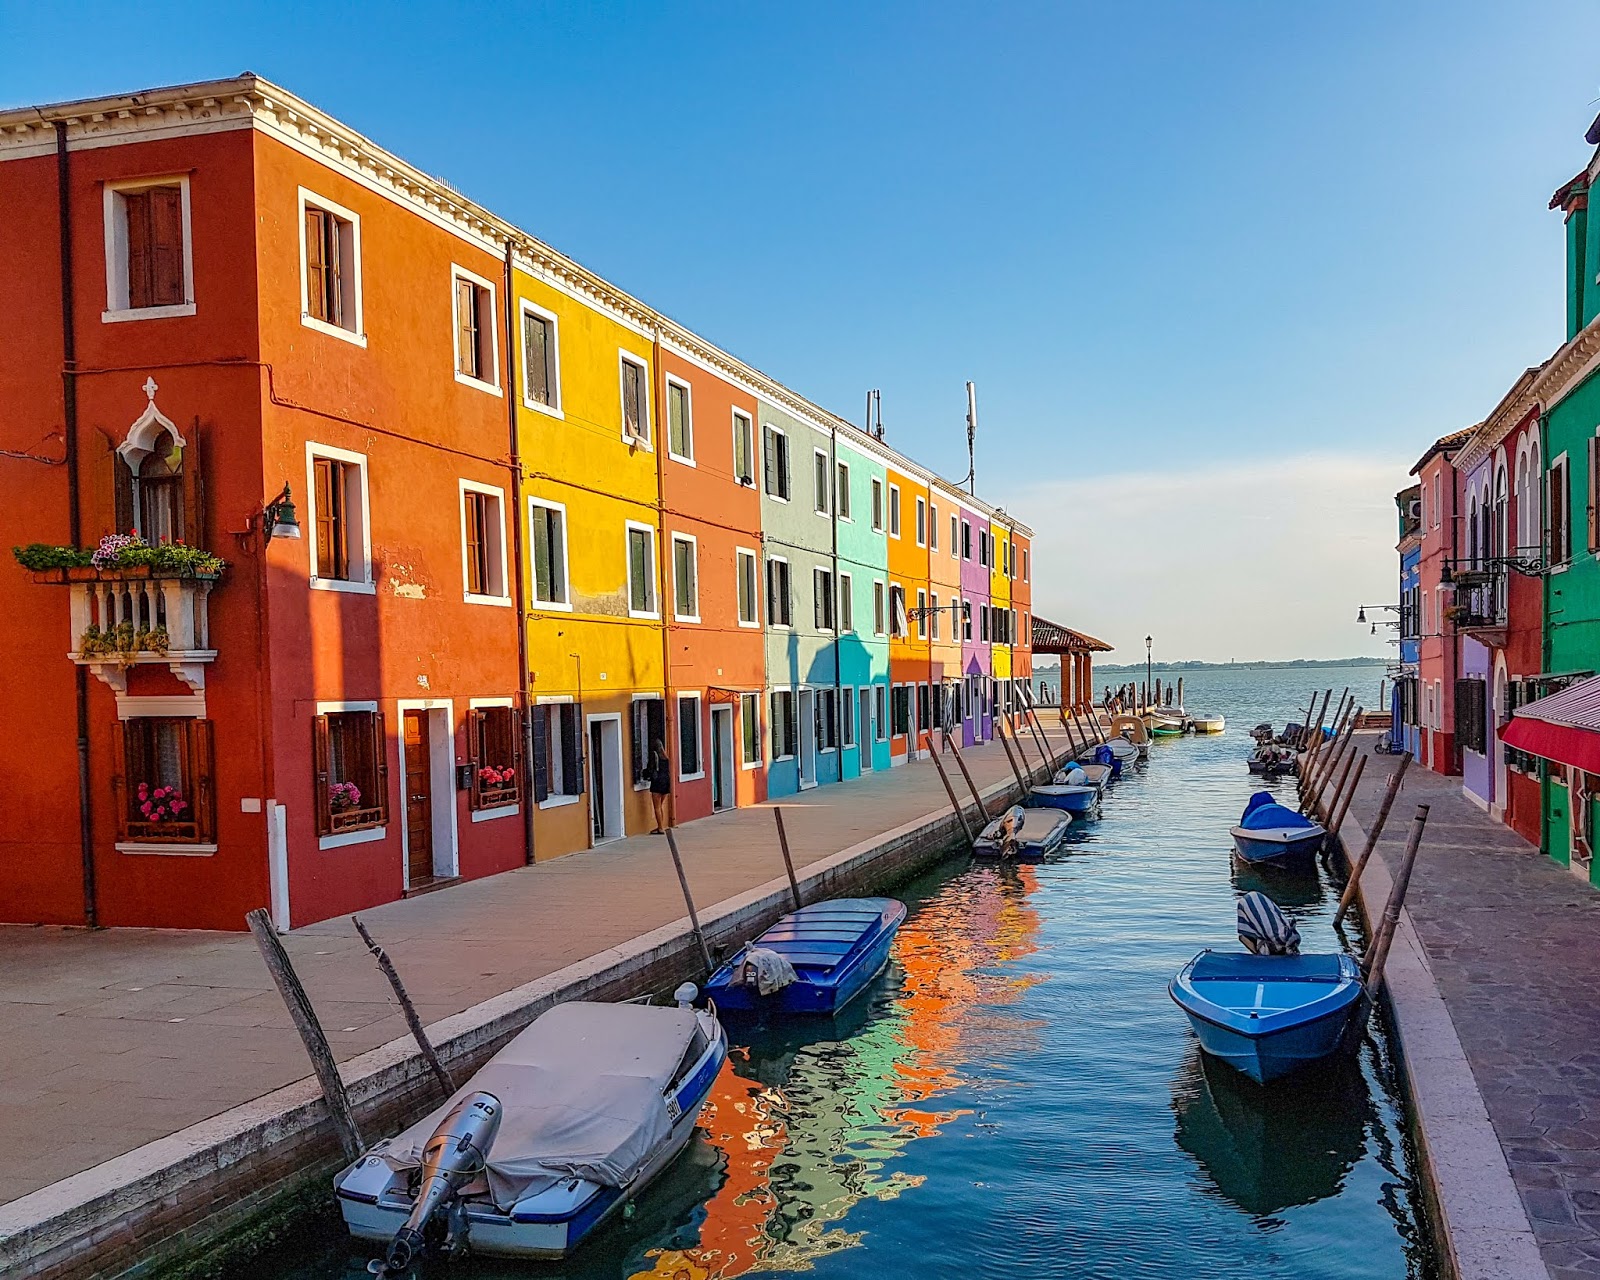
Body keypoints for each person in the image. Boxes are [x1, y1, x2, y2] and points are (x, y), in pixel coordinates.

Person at [648, 737, 672, 834]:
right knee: (660, 805)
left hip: (657, 782)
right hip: (666, 781)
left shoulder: (654, 756)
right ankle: (660, 825)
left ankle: (660, 827)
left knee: (657, 806)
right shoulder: (666, 757)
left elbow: (650, 768)